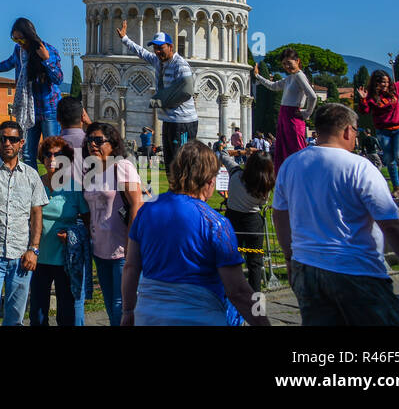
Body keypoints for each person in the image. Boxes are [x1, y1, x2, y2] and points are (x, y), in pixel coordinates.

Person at [272, 103, 399, 326]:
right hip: (355, 268)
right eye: (355, 130)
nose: (355, 136)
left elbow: (280, 217)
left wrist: (290, 258)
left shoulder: (291, 165)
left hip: (306, 267)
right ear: (347, 130)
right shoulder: (360, 167)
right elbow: (391, 225)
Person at [121, 142, 270, 326]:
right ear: (209, 181)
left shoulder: (146, 211)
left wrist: (128, 311)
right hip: (200, 316)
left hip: (149, 314)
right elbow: (237, 290)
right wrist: (262, 322)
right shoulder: (216, 223)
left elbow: (131, 267)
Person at [0, 119, 46, 325]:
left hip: (21, 255)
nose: (7, 143)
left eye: (13, 139)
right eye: (3, 139)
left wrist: (34, 249)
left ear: (21, 143)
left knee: (15, 318)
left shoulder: (31, 176)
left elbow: (37, 214)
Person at [0, 17, 64, 168]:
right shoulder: (18, 51)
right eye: (15, 40)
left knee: (51, 152)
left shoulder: (48, 50)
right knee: (27, 154)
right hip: (28, 110)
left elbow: (58, 78)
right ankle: (33, 187)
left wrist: (46, 59)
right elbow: (9, 63)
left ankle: (53, 188)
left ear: (30, 36)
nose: (20, 43)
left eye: (22, 40)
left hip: (49, 109)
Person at [82, 120, 143, 326]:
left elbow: (137, 204)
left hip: (121, 249)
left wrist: (130, 243)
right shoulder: (90, 170)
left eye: (99, 140)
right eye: (90, 140)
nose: (93, 144)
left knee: (122, 306)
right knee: (110, 304)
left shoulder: (122, 166)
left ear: (112, 143)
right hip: (99, 249)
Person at [117, 20, 196, 169]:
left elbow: (187, 91)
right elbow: (141, 52)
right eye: (155, 48)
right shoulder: (158, 61)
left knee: (183, 164)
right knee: (171, 164)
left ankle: (185, 192)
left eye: (161, 48)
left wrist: (162, 100)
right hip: (170, 121)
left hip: (183, 122)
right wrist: (124, 39)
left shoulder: (180, 64)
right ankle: (173, 192)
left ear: (171, 47)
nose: (157, 51)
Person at [29, 135, 89, 326]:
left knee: (66, 313)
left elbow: (88, 224)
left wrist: (73, 233)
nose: (52, 159)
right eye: (47, 154)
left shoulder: (75, 188)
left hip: (66, 260)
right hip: (38, 258)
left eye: (57, 154)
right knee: (37, 315)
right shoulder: (34, 184)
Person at [355, 65, 399, 198]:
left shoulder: (394, 89)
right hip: (383, 131)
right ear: (376, 83)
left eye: (386, 82)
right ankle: (396, 188)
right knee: (389, 160)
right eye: (382, 82)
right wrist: (362, 99)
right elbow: (364, 111)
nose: (385, 84)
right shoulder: (371, 97)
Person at [217, 147, 275, 294]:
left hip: (233, 219)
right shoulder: (265, 184)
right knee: (255, 263)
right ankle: (256, 305)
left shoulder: (236, 173)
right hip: (253, 222)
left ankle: (230, 295)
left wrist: (241, 152)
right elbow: (262, 204)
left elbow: (223, 154)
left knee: (230, 259)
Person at [253, 48, 318, 172]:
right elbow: (273, 86)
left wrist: (307, 113)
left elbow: (313, 96)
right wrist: (257, 76)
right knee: (284, 150)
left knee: (296, 149)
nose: (287, 66)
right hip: (284, 116)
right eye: (284, 64)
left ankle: (302, 175)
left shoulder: (299, 76)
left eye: (289, 62)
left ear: (297, 61)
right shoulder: (291, 78)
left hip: (292, 116)